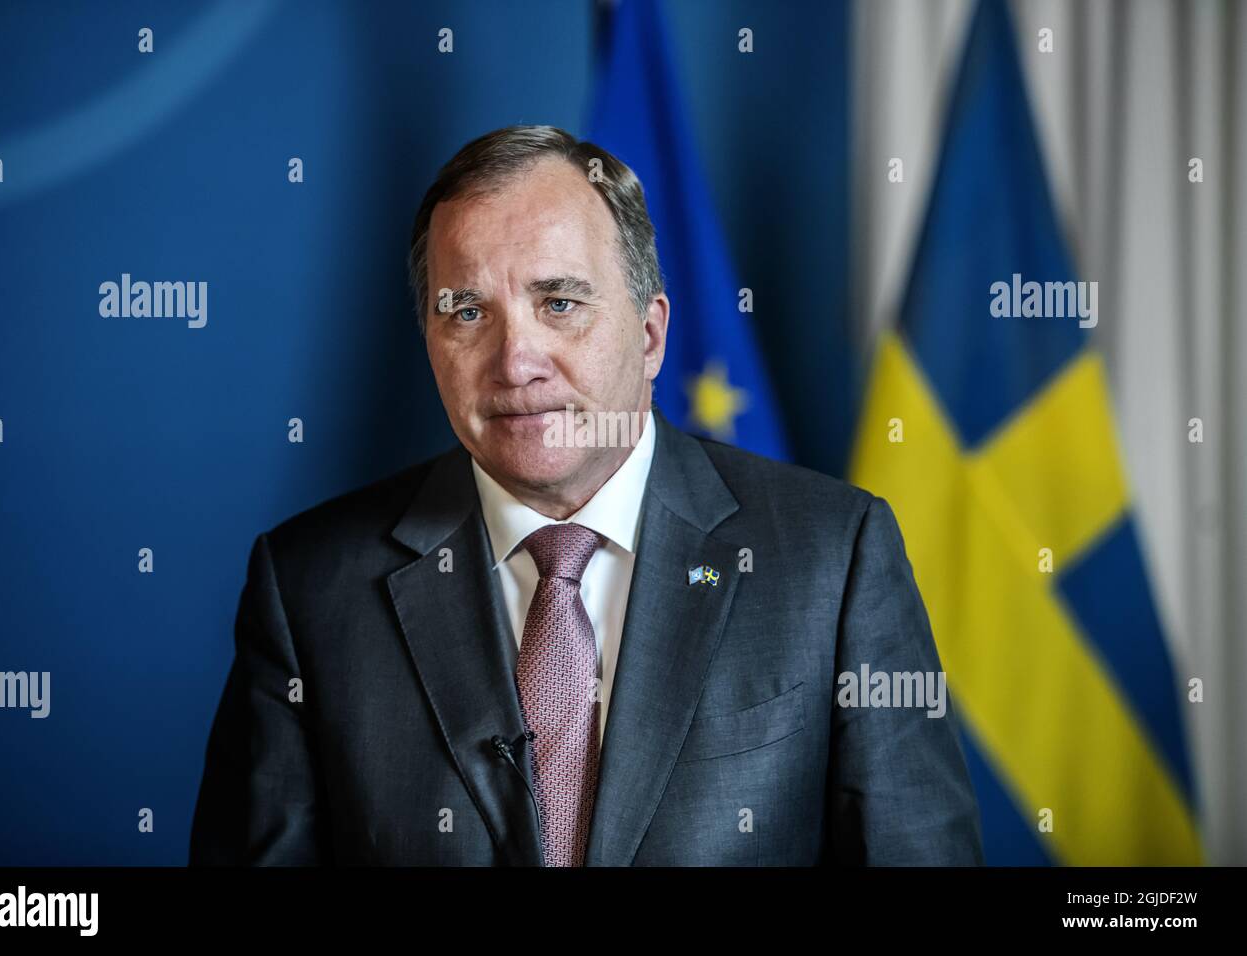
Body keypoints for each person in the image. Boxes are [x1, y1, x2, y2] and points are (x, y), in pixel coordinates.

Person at [189, 125, 983, 866]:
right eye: (467, 312)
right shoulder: (309, 588)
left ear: (649, 335)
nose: (515, 361)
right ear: (431, 346)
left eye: (559, 303)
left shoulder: (832, 559)